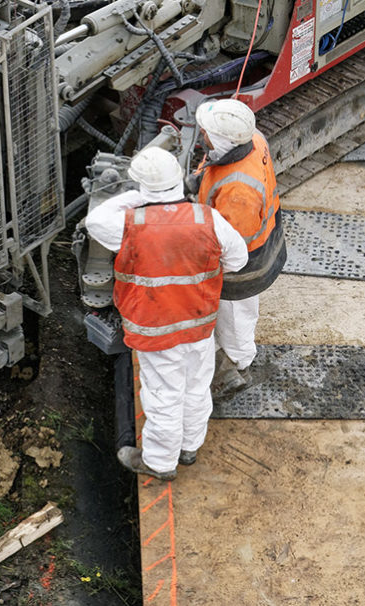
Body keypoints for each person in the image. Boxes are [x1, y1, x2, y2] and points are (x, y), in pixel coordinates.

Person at [86, 148, 247, 480]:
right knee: (196, 388)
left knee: (163, 397)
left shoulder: (131, 224)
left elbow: (94, 221)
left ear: (142, 186)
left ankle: (160, 463)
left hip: (155, 331)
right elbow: (238, 260)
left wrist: (137, 196)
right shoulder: (207, 218)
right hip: (199, 326)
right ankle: (189, 447)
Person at [192, 98, 287, 395]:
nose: (202, 134)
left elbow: (232, 249)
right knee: (237, 313)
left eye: (207, 132)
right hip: (262, 240)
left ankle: (239, 361)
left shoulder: (238, 192)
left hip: (245, 264)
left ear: (223, 140)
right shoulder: (252, 139)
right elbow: (213, 166)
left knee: (235, 315)